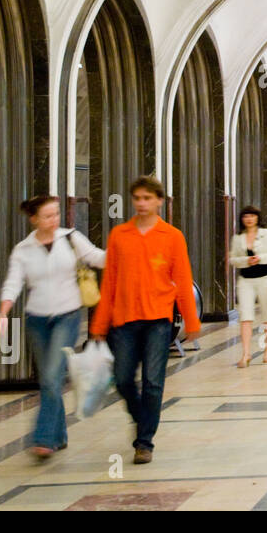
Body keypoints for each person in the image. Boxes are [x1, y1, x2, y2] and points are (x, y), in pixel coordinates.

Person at [90, 175, 200, 464]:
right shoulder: (119, 235)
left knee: (153, 382)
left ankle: (144, 442)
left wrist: (192, 321)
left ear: (159, 201)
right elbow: (109, 282)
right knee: (124, 380)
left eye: (147, 198)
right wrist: (99, 324)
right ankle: (142, 419)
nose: (141, 203)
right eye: (137, 198)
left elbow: (182, 280)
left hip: (157, 321)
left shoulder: (172, 236)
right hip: (124, 320)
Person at [0, 195, 105, 458]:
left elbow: (96, 257)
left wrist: (125, 250)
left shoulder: (71, 238)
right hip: (36, 318)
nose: (54, 220)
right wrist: (3, 312)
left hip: (67, 316)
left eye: (56, 214)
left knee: (50, 376)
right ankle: (59, 434)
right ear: (33, 219)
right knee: (50, 379)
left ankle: (44, 438)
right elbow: (14, 282)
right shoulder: (23, 249)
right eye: (47, 216)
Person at [228, 205, 267, 367]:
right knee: (246, 316)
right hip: (246, 280)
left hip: (266, 278)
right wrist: (246, 261)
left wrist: (261, 258)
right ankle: (246, 353)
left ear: (257, 218)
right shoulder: (238, 238)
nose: (249, 219)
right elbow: (232, 259)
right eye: (246, 216)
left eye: (252, 216)